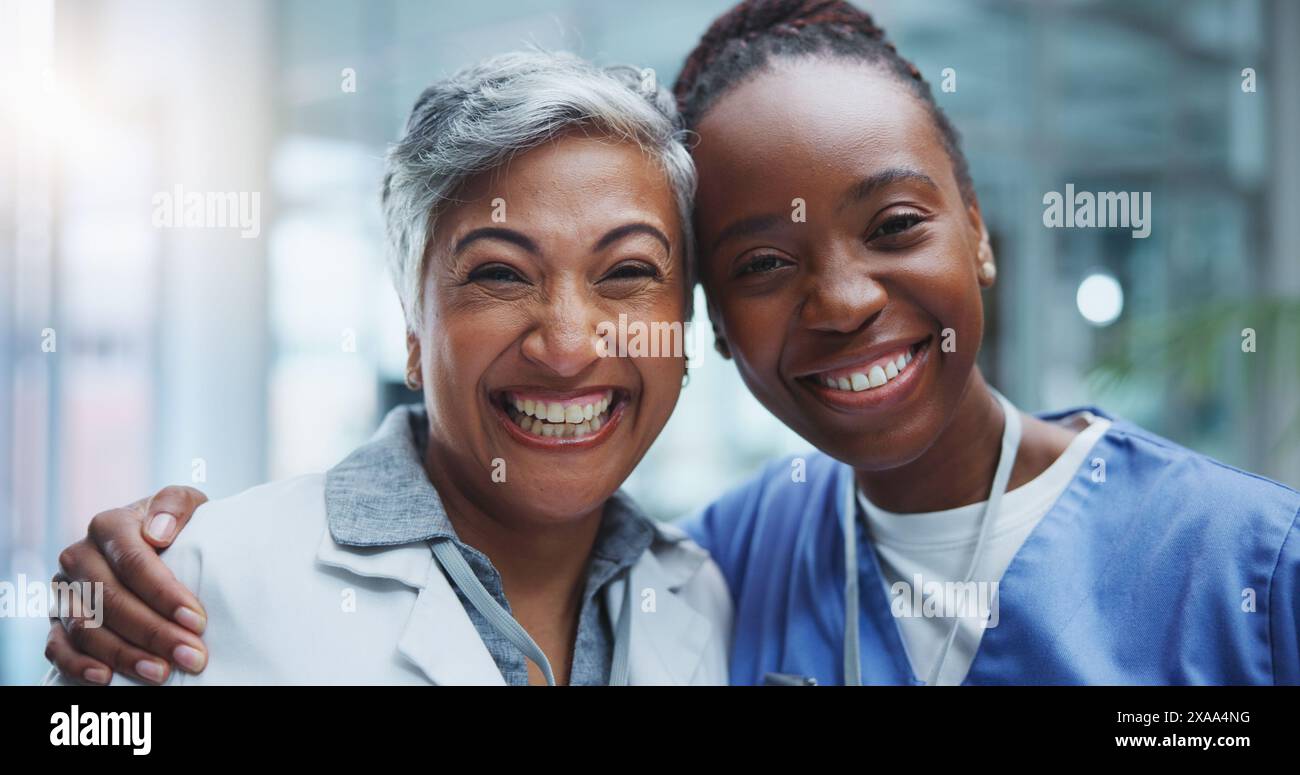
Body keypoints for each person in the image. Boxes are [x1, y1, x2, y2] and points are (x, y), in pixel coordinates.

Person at [47, 0, 1299, 686]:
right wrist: (101, 609)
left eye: (899, 223)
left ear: (979, 231)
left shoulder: (1255, 565)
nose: (847, 300)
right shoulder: (747, 552)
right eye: (762, 263)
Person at [45, 50, 731, 686]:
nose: (568, 345)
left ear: (685, 329)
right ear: (411, 330)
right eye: (500, 273)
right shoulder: (191, 586)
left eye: (627, 273)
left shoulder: (702, 592)